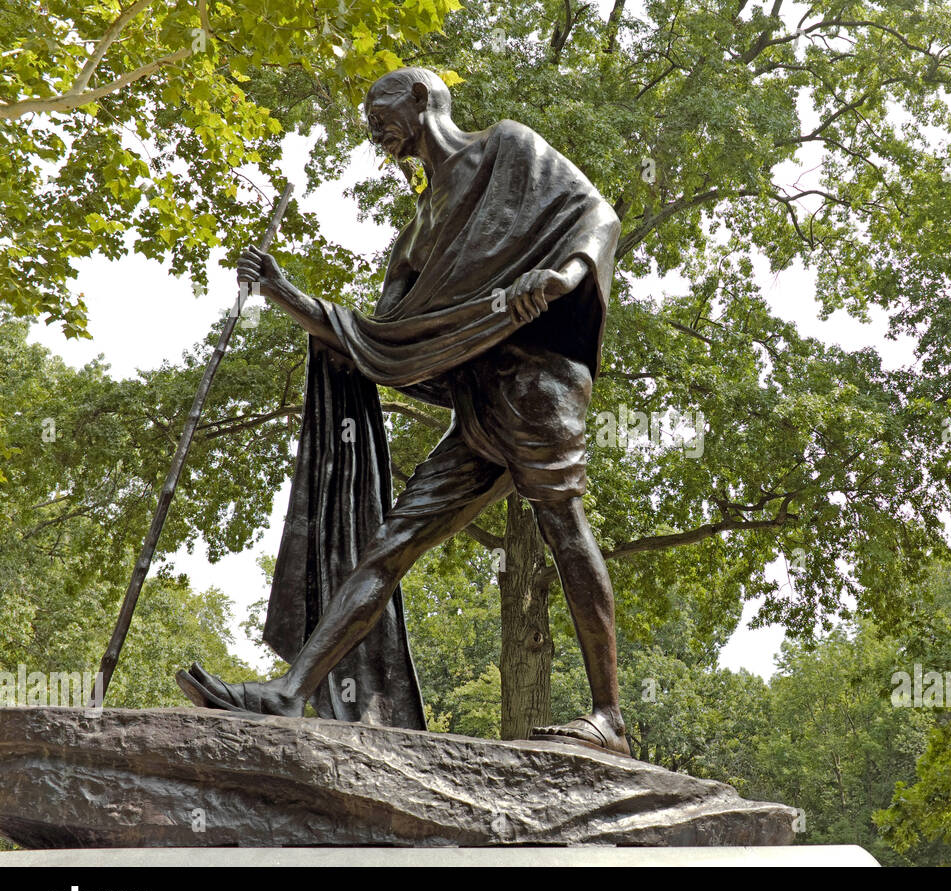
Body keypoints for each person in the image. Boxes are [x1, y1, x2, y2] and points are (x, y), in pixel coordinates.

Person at [176, 66, 628, 756]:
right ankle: (289, 693)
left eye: (377, 111)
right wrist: (283, 293)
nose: (372, 129)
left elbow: (596, 216)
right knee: (392, 544)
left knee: (563, 524)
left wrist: (560, 277)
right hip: (478, 409)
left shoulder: (507, 147)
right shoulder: (418, 228)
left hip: (538, 388)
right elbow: (382, 337)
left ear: (421, 98)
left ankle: (610, 718)